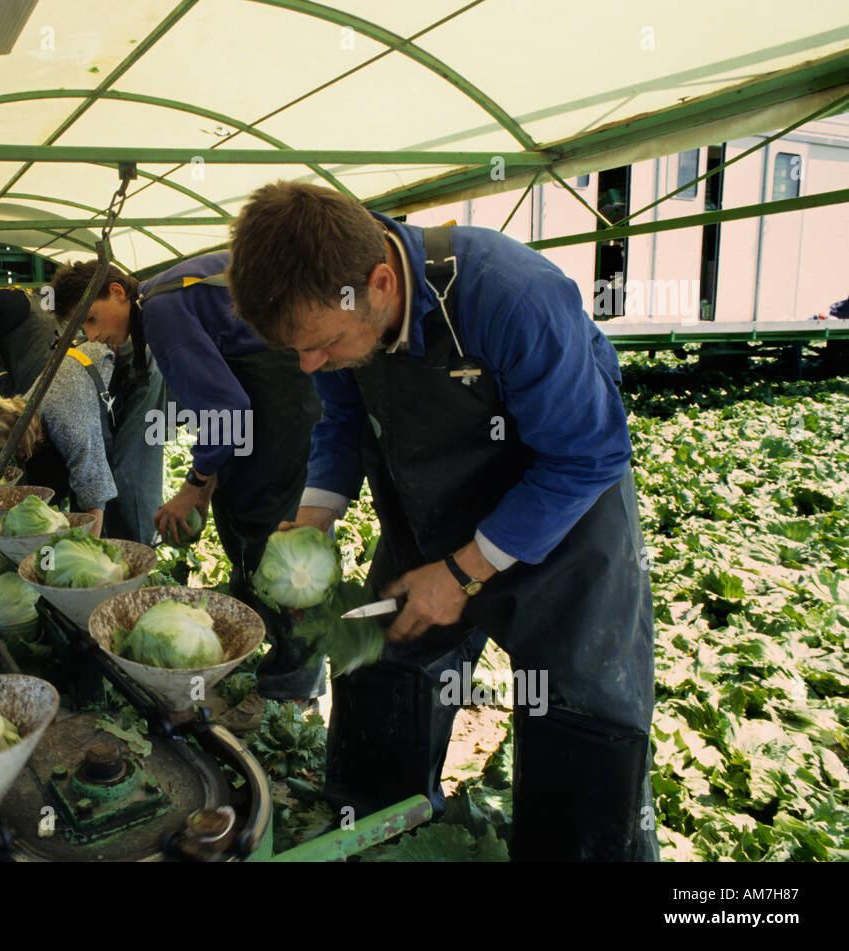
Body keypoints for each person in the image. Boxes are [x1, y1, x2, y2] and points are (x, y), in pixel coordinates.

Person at [226, 181, 657, 861]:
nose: (310, 364)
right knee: (380, 667)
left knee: (580, 719)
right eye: (298, 351)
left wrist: (464, 571)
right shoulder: (335, 317)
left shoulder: (511, 295)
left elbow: (587, 455)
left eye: (322, 345)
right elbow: (340, 422)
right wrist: (312, 521)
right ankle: (376, 831)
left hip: (564, 523)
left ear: (381, 282)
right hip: (426, 514)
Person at [50, 257, 325, 700]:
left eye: (93, 320)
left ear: (117, 292)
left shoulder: (160, 309)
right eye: (84, 330)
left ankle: (295, 686)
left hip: (280, 398)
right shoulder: (161, 303)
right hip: (259, 395)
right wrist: (209, 484)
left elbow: (227, 411)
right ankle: (255, 644)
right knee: (236, 518)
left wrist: (193, 484)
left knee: (270, 537)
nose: (93, 337)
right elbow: (222, 404)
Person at [0, 341, 120, 538]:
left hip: (124, 365)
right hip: (77, 379)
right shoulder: (24, 406)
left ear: (21, 435)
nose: (18, 455)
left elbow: (94, 484)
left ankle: (129, 540)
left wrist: (89, 547)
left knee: (125, 476)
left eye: (16, 450)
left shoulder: (68, 422)